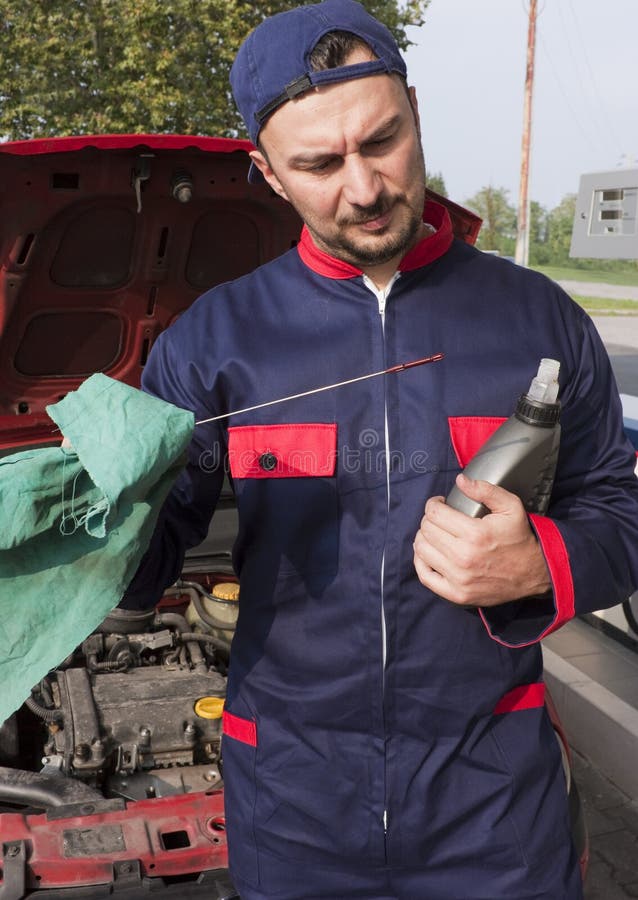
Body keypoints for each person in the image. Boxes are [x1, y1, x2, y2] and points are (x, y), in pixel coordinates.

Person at [122, 1, 638, 897]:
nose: (362, 188)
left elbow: (619, 514)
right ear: (269, 175)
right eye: (318, 165)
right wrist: (80, 533)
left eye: (382, 141)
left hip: (493, 802)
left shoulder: (540, 319)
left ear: (416, 114)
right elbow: (148, 550)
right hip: (291, 797)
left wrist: (542, 561)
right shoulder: (215, 342)